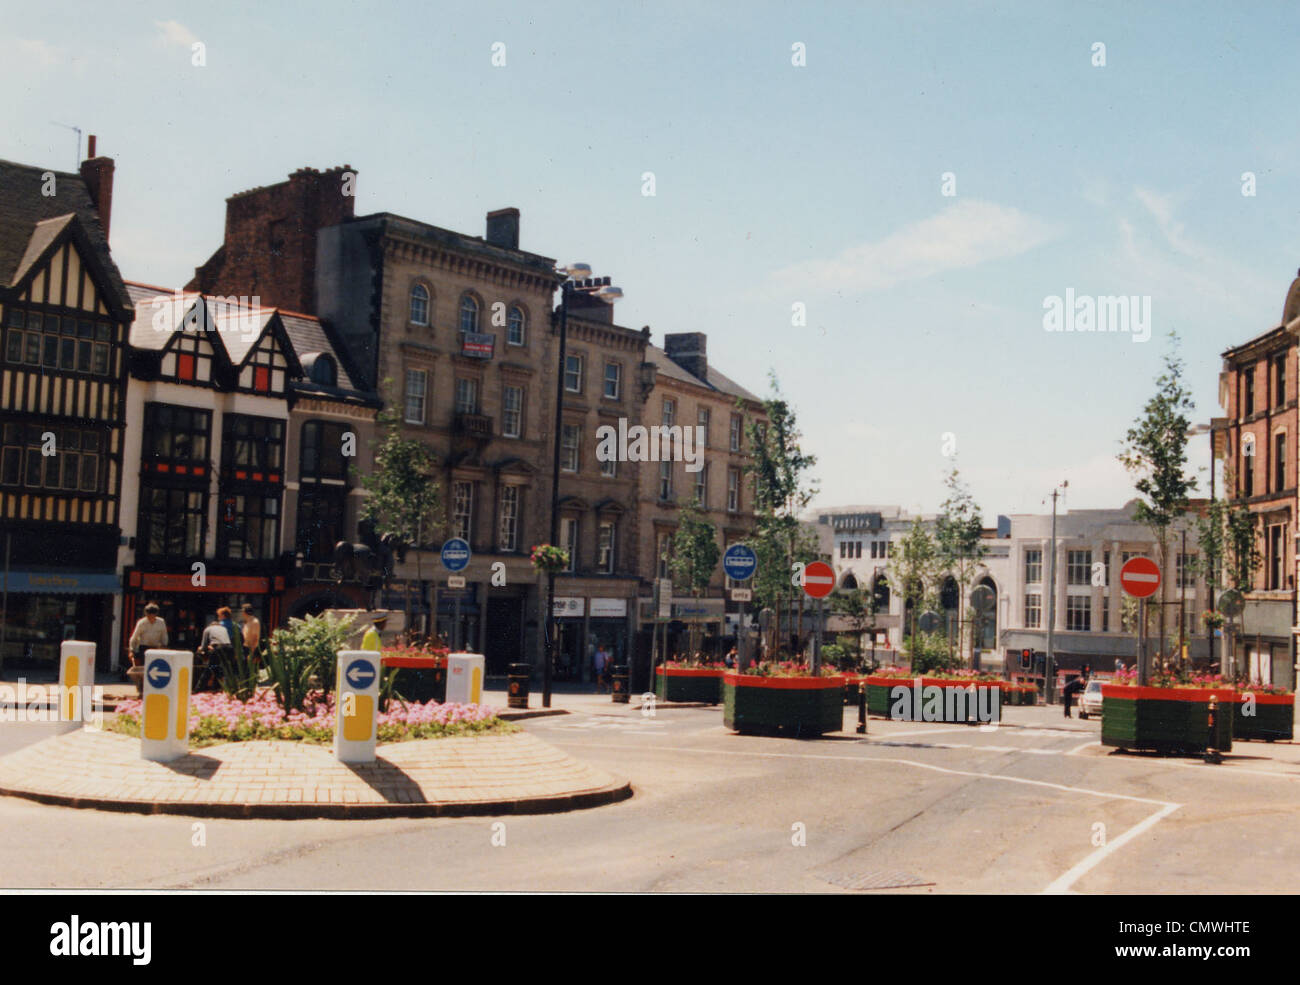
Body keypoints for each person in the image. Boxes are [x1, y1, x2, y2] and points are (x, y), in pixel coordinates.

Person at [198, 615, 233, 690]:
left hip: (218, 648)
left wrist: (201, 650)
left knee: (209, 668)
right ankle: (220, 687)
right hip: (229, 648)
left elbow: (203, 646)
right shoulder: (223, 628)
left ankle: (199, 689)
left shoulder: (208, 629)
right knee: (223, 668)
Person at [127, 603, 168, 667]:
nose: (150, 618)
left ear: (156, 614)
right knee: (144, 667)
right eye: (148, 616)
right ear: (146, 614)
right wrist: (131, 651)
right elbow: (134, 638)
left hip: (156, 648)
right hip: (144, 648)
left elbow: (164, 636)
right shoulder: (141, 623)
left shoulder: (161, 622)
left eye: (152, 616)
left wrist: (164, 646)